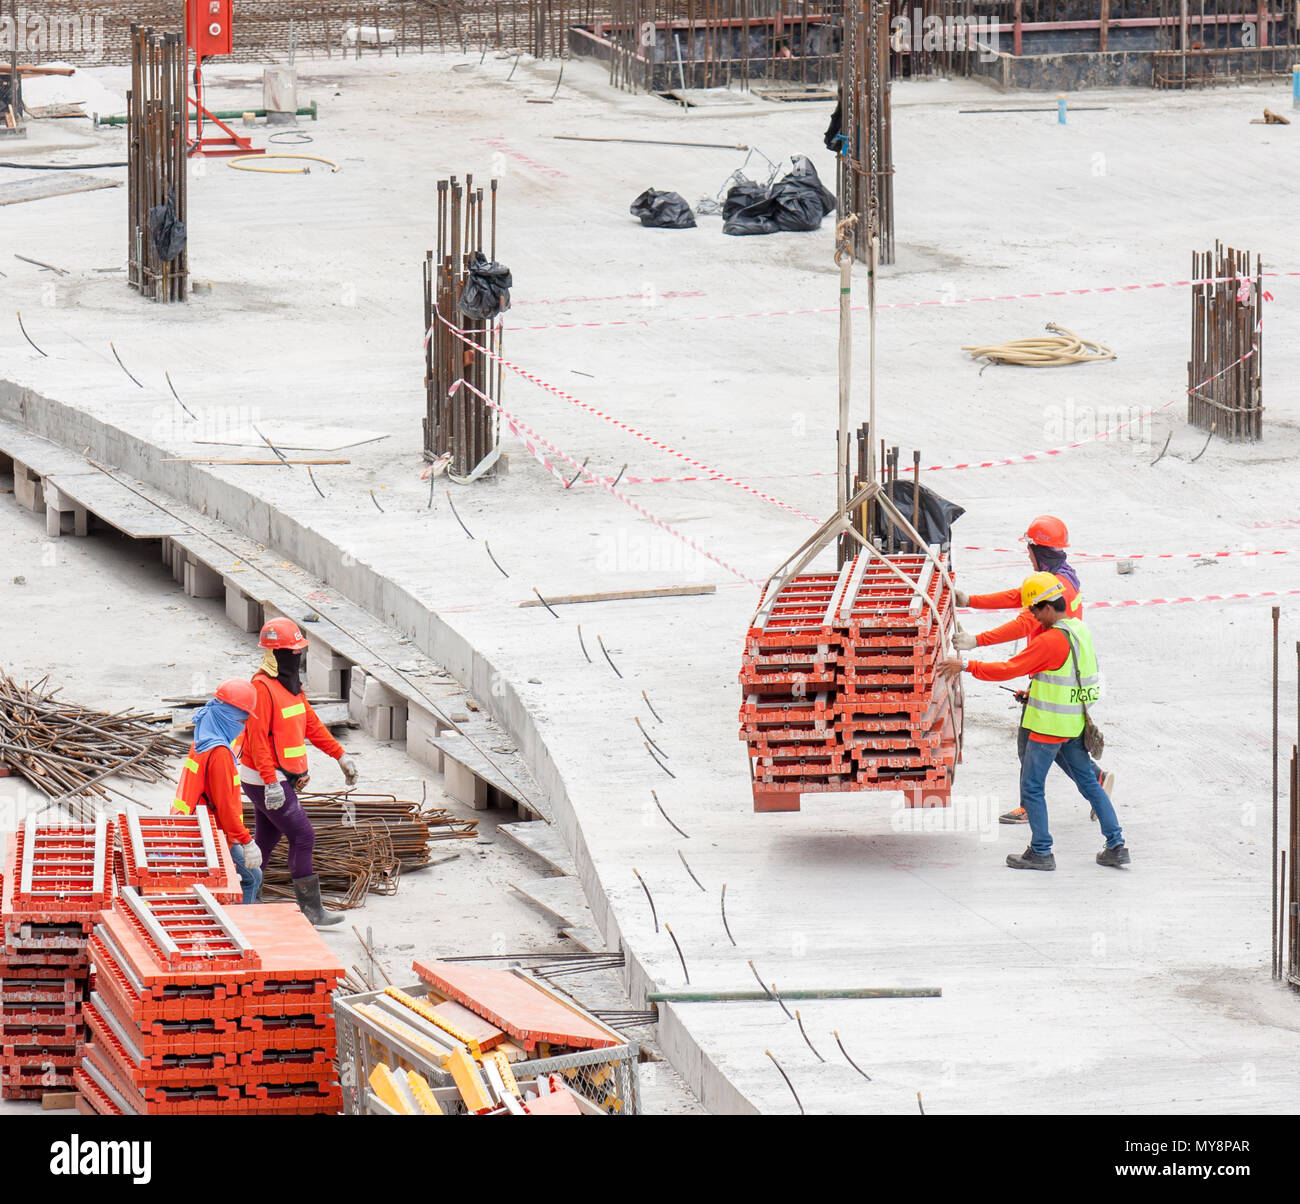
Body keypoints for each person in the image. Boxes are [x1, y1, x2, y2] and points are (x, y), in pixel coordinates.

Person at [938, 573, 1129, 871]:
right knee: (1090, 784)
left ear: (1048, 608)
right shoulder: (1079, 630)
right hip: (1073, 725)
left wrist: (964, 664)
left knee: (1032, 787)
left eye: (1035, 611)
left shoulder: (1051, 640)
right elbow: (1068, 675)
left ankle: (1041, 851)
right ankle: (1116, 845)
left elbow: (1008, 667)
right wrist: (1034, 690)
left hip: (1047, 728)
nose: (1034, 618)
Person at [951, 514, 1112, 823]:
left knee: (1032, 744)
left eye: (1029, 549)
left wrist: (975, 644)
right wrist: (971, 600)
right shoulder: (1061, 575)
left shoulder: (1058, 586)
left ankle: (1032, 810)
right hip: (1056, 671)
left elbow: (1024, 623)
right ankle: (1098, 781)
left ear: (1040, 550)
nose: (1027, 555)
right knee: (1064, 749)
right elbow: (1019, 596)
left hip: (1052, 670)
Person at [240, 617, 358, 928]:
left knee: (267, 837)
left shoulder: (292, 687)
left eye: (298, 652)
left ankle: (247, 895)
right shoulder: (261, 688)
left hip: (278, 777)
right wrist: (270, 782)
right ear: (273, 655)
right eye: (290, 653)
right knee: (303, 835)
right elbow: (256, 740)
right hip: (264, 778)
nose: (296, 658)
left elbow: (311, 724)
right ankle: (312, 910)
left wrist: (340, 756)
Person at [171, 679, 263, 904]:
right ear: (228, 717)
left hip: (193, 825)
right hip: (210, 833)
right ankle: (239, 928)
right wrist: (247, 841)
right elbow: (225, 808)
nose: (242, 726)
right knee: (251, 877)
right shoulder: (220, 753)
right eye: (242, 720)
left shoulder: (203, 737)